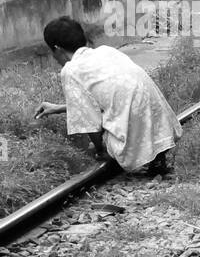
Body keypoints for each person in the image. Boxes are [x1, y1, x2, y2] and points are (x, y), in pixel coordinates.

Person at [34, 17, 182, 175]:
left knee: (93, 144)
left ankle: (132, 152)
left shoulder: (71, 70)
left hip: (135, 134)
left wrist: (100, 150)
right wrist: (59, 108)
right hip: (163, 129)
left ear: (57, 49)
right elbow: (112, 96)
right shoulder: (107, 51)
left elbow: (89, 120)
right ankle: (156, 156)